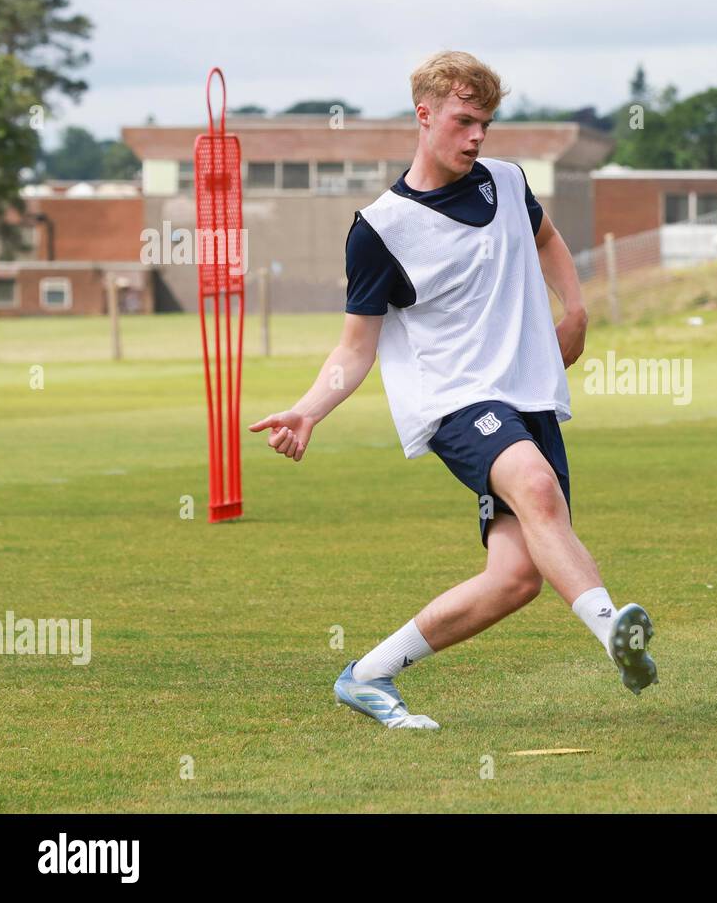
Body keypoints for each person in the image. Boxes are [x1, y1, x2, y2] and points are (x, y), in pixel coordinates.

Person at [250, 51, 657, 729]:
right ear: (425, 115)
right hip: (454, 402)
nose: (475, 138)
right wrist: (308, 408)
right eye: (464, 121)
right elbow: (356, 349)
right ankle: (614, 631)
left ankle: (368, 675)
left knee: (517, 577)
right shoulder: (380, 230)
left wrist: (576, 311)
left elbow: (549, 238)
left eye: (486, 125)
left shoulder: (506, 181)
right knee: (533, 485)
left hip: (526, 397)